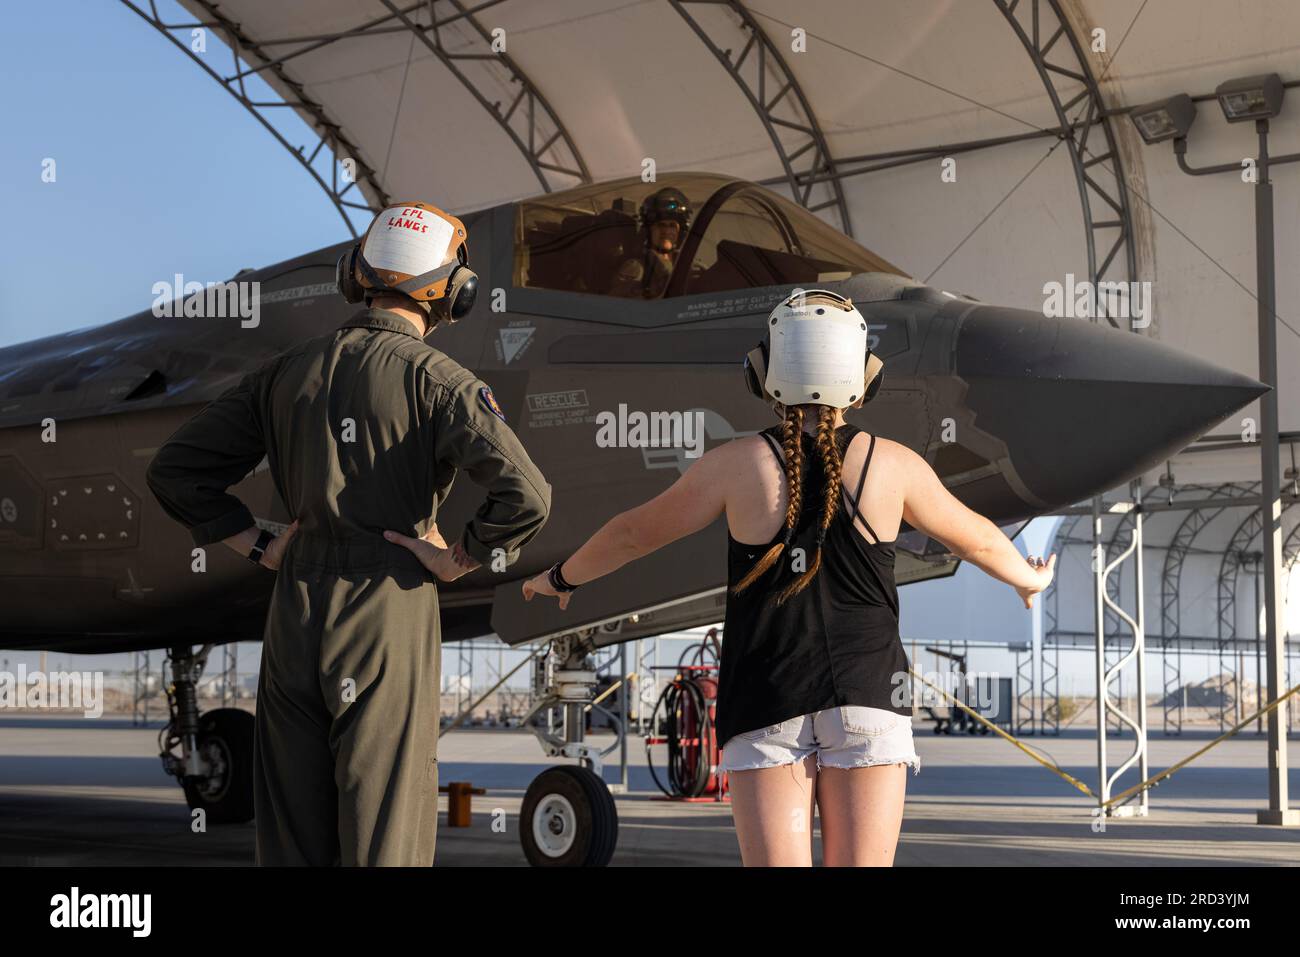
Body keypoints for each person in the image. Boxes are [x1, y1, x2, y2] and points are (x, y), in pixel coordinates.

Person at [522, 288, 1054, 867]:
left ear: (765, 373)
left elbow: (633, 535)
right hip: (868, 698)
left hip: (766, 700)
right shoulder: (893, 464)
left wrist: (560, 578)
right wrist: (1027, 580)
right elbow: (976, 538)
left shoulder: (735, 465)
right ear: (863, 378)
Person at [147, 201, 551, 866]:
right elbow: (528, 495)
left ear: (356, 275)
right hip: (386, 604)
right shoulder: (440, 382)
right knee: (382, 833)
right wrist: (459, 558)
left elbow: (176, 469)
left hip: (294, 608)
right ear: (455, 292)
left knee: (290, 837)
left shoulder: (285, 372)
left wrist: (257, 543)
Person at [609, 187, 692, 298]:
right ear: (648, 230)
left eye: (672, 226)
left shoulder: (689, 264)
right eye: (660, 225)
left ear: (680, 232)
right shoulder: (636, 268)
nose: (666, 231)